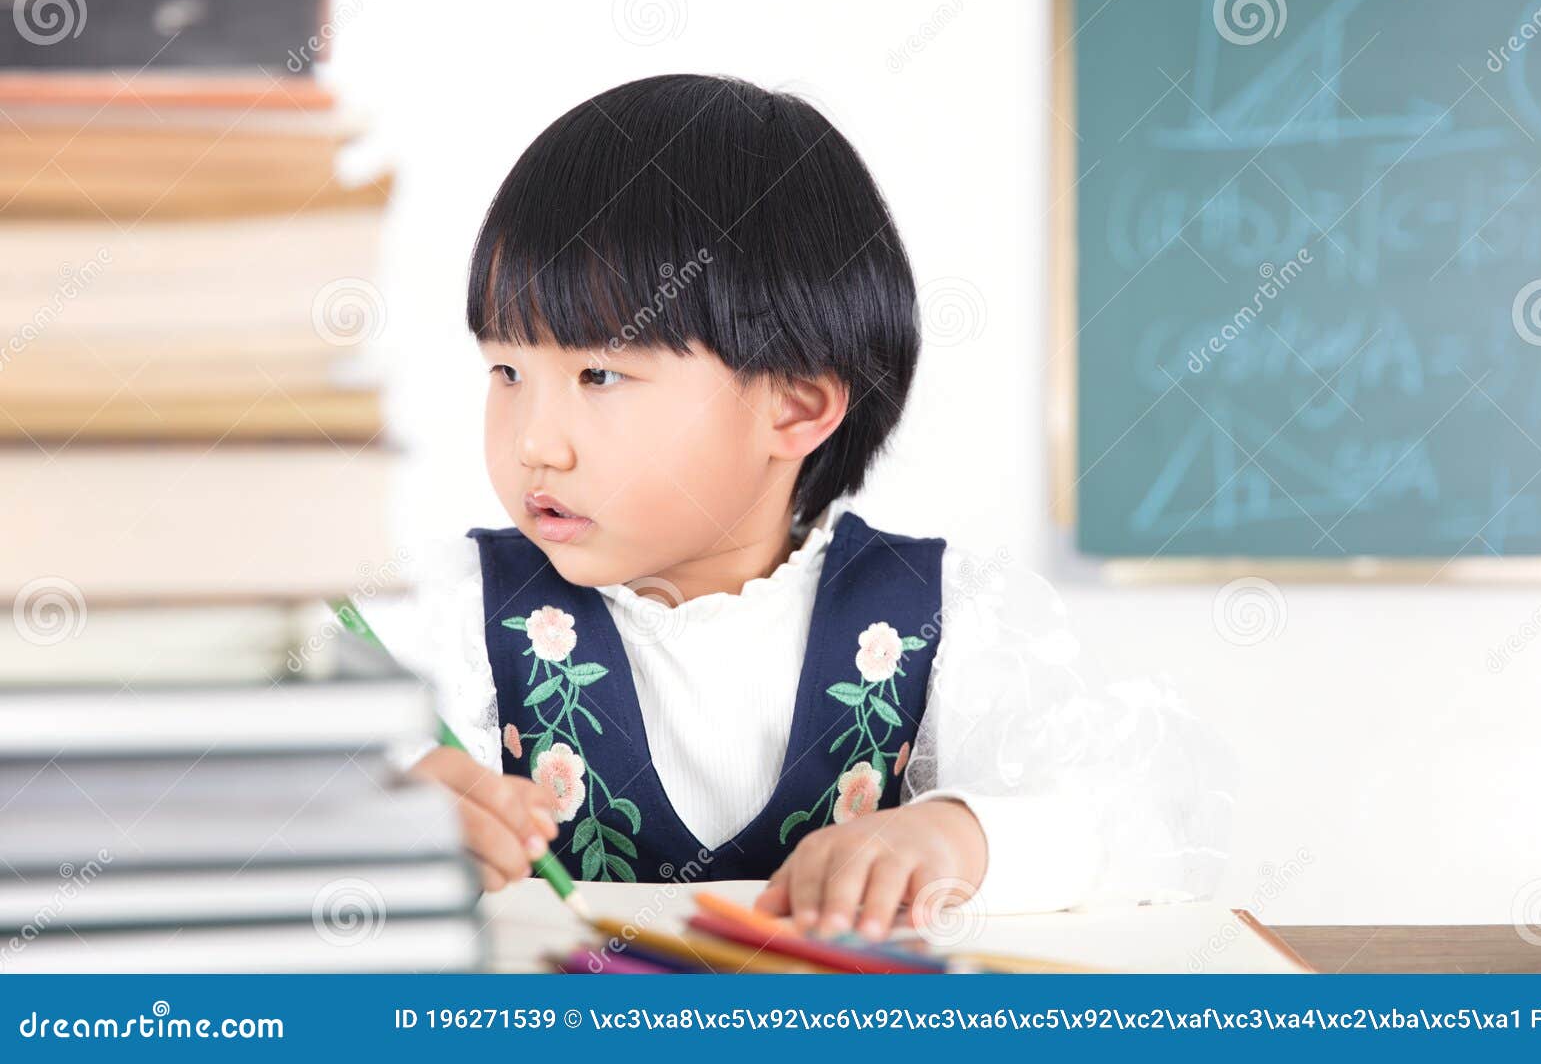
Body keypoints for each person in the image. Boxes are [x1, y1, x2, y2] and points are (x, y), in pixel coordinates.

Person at [368, 73, 1231, 941]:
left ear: (796, 406)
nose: (534, 444)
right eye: (508, 371)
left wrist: (958, 835)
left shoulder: (941, 616)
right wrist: (379, 826)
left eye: (600, 375)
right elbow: (282, 796)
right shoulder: (451, 619)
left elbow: (1144, 819)